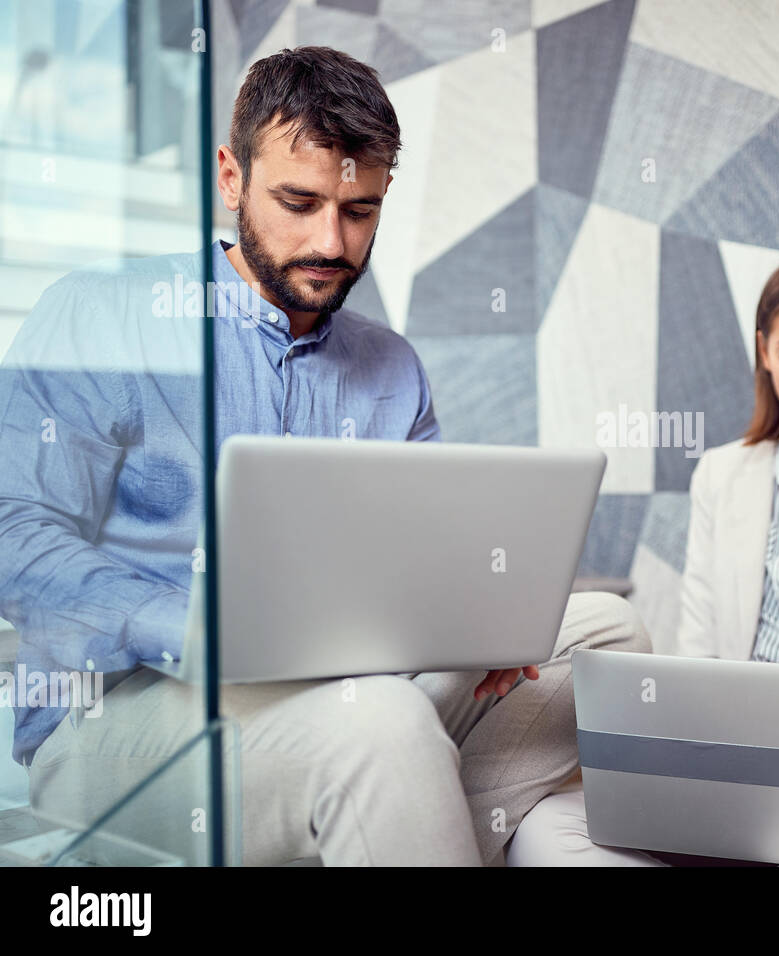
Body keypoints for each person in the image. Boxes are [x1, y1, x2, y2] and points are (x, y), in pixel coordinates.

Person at [0, 46, 650, 866]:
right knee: (380, 724)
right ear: (232, 178)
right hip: (118, 721)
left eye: (359, 210)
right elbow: (14, 534)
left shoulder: (393, 368)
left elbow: (421, 561)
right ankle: (393, 810)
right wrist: (196, 630)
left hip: (353, 698)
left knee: (604, 637)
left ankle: (394, 820)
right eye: (298, 202)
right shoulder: (102, 313)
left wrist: (480, 613)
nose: (330, 241)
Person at [507, 254, 779, 867]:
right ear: (764, 352)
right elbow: (700, 654)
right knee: (547, 830)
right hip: (744, 775)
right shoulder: (722, 471)